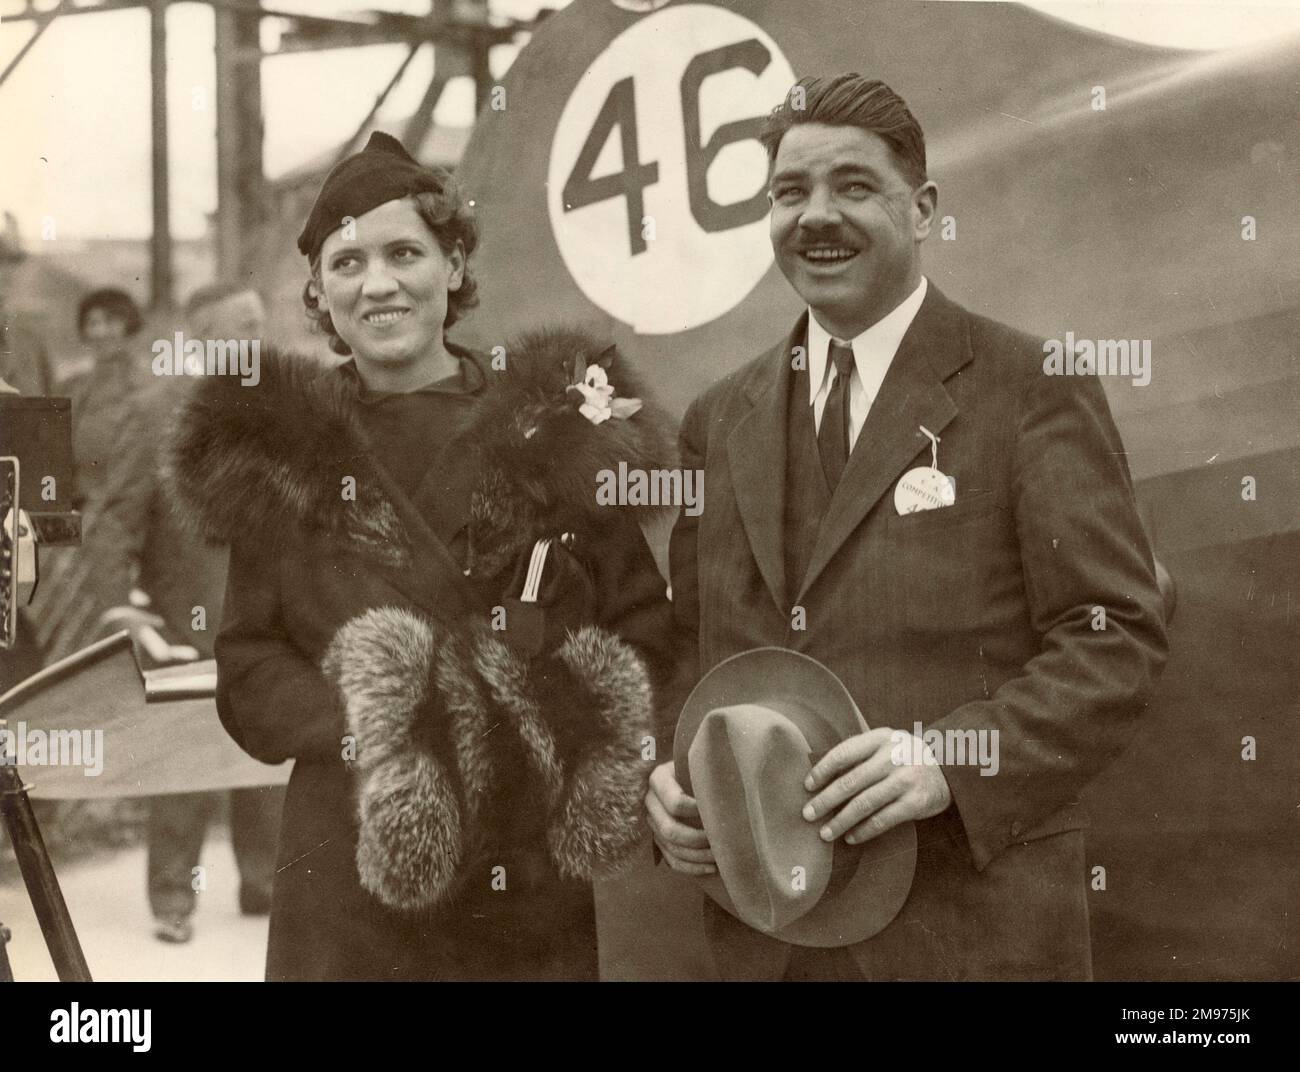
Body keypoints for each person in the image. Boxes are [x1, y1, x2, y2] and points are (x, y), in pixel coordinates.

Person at [648, 74, 1169, 981]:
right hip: (767, 935)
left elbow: (1113, 636)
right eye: (789, 193)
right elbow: (689, 648)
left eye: (854, 187)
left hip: (972, 930)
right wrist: (662, 776)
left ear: (922, 209)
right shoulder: (714, 420)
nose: (817, 216)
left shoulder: (1033, 385)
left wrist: (950, 762)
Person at [167, 132, 676, 980]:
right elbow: (249, 666)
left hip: (527, 877)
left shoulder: (560, 431)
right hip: (350, 868)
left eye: (405, 253)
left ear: (453, 265)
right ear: (319, 295)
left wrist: (544, 714)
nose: (378, 284)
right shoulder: (276, 450)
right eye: (347, 263)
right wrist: (381, 728)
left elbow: (644, 634)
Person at [90, 282, 286, 944]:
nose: (259, 341)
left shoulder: (283, 413)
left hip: (270, 624)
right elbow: (114, 523)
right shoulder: (154, 415)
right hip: (185, 621)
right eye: (242, 328)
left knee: (267, 754)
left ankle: (264, 883)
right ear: (203, 343)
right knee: (185, 763)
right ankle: (173, 900)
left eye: (261, 325)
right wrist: (121, 610)